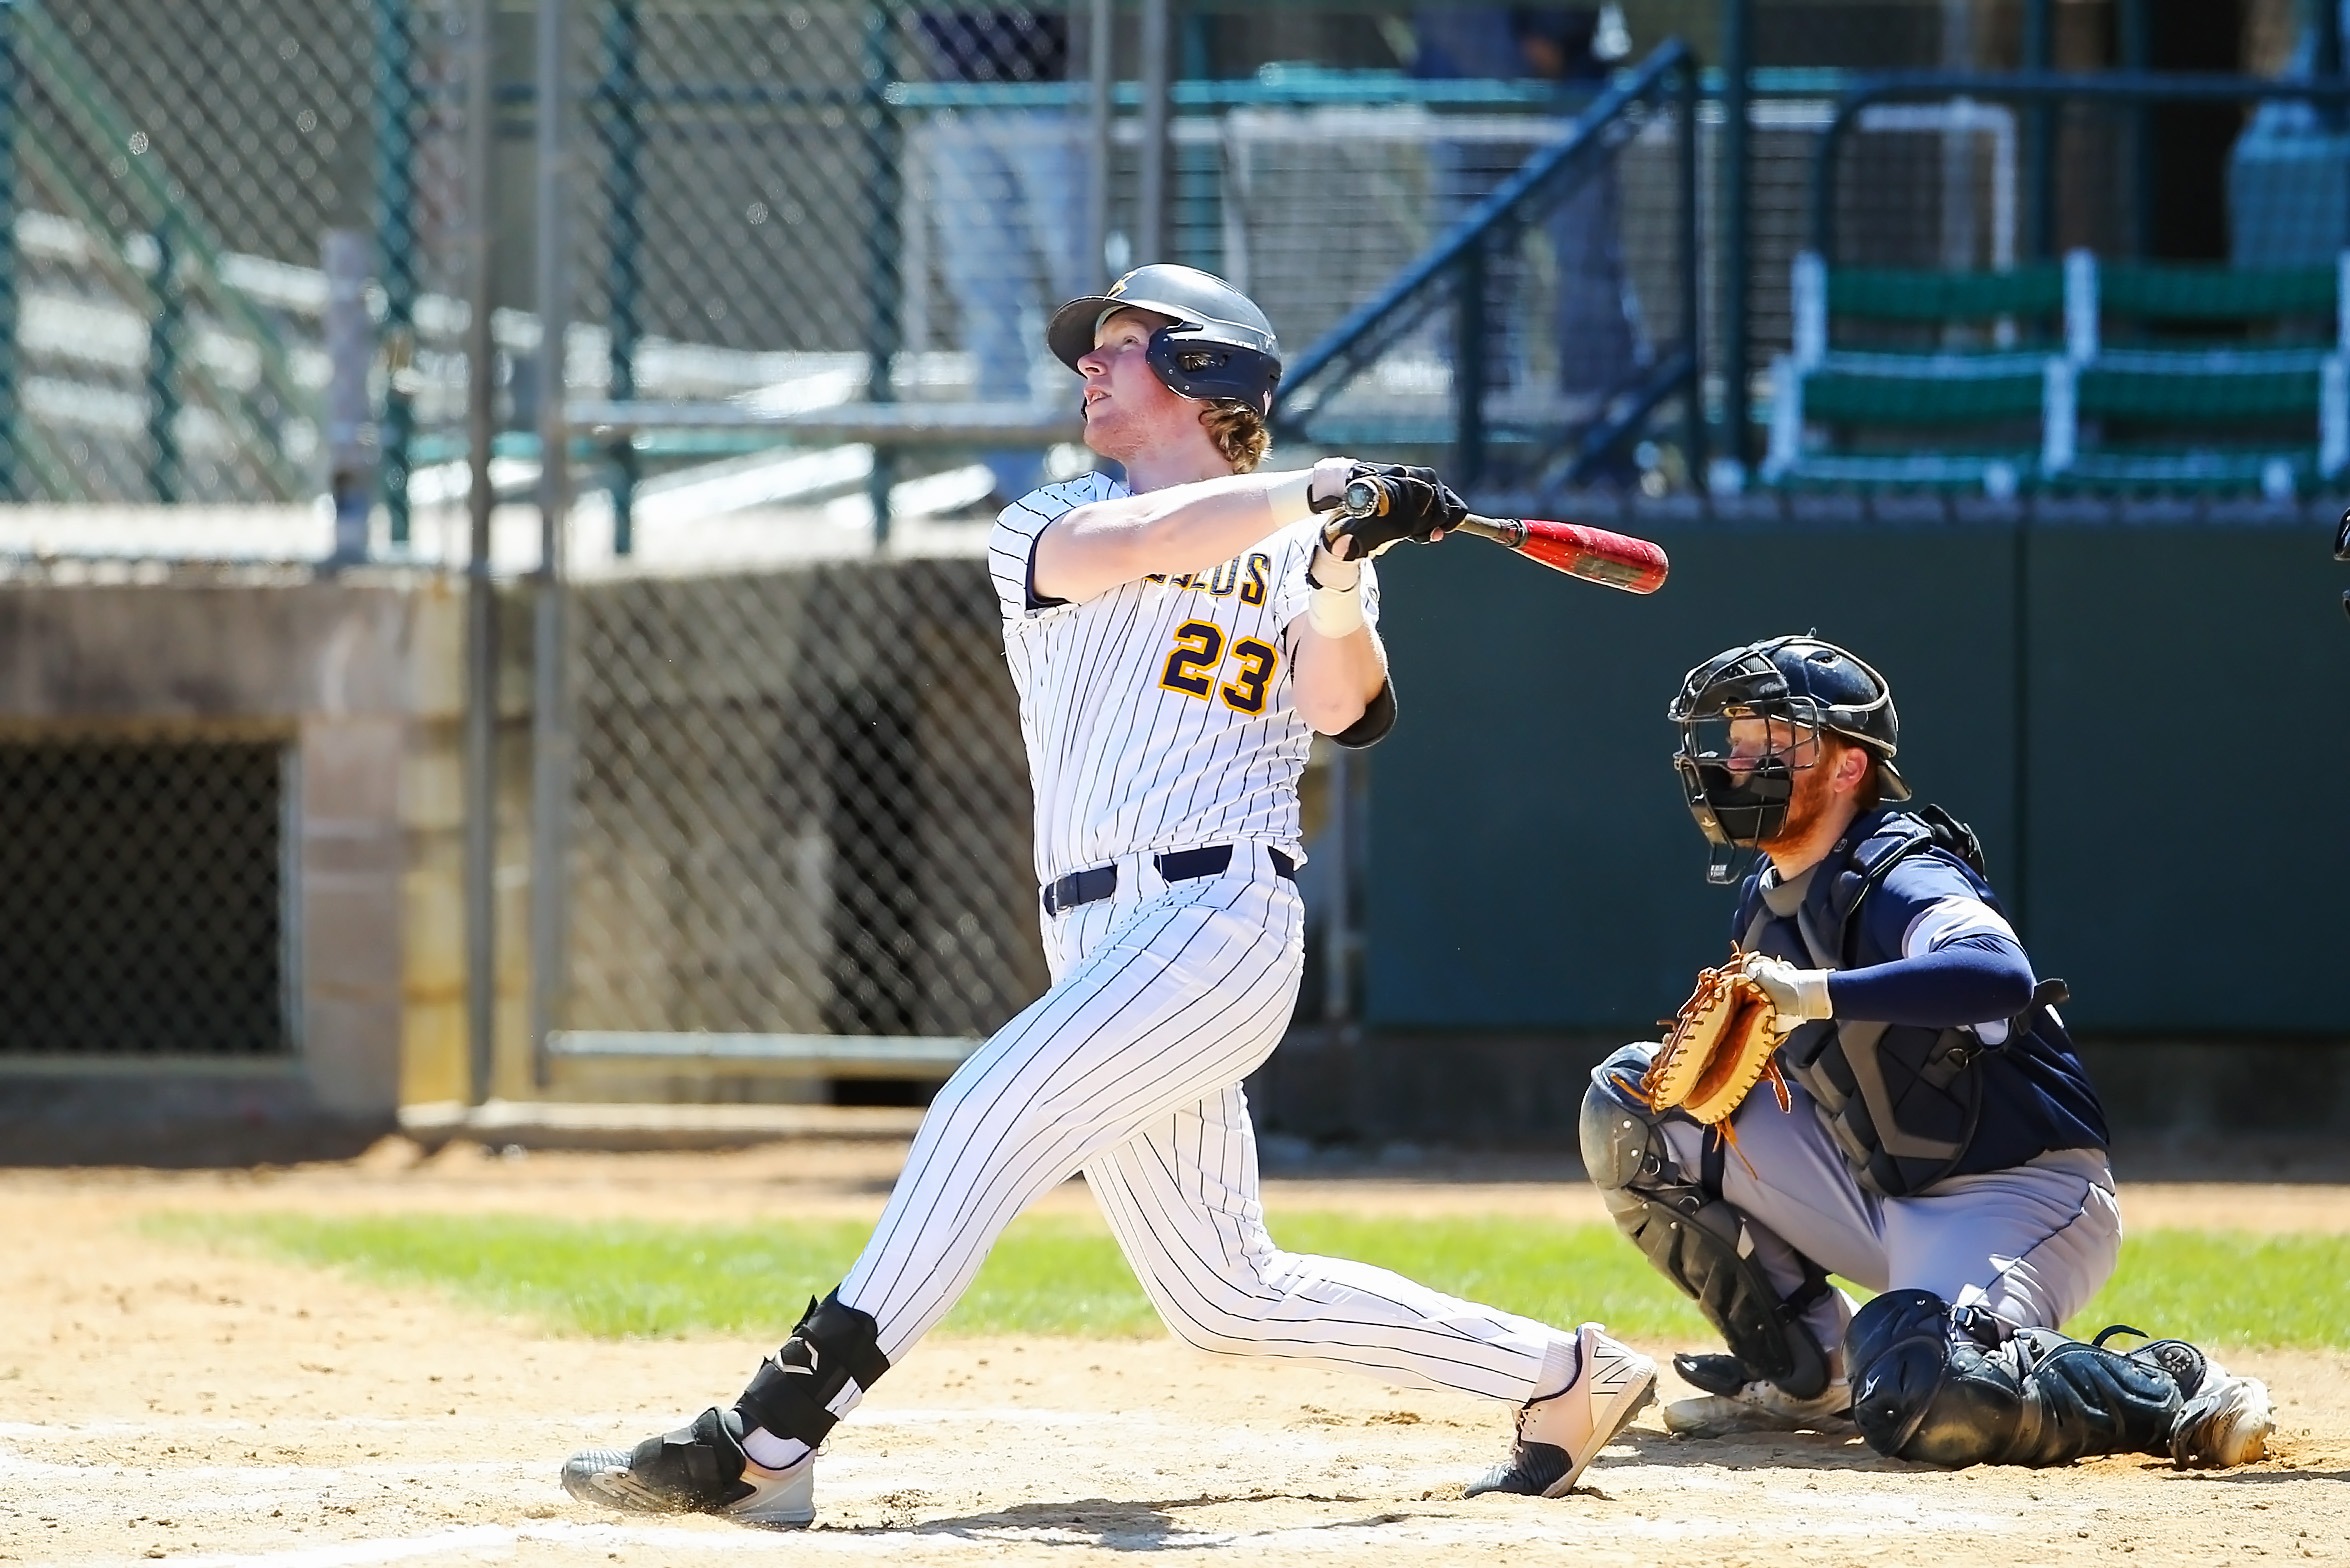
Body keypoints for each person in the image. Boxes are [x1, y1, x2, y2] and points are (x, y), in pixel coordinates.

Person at [558, 264, 1657, 1528]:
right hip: (1096, 937)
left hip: (1220, 918)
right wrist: (1312, 492)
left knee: (981, 1112)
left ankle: (767, 1435)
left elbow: (1344, 708)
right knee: (1222, 1293)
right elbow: (1146, 542)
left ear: (1202, 373)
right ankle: (1564, 1375)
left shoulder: (1305, 544)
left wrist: (1344, 566)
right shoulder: (1046, 522)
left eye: (1122, 347)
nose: (1087, 365)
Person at [1578, 635, 2274, 1469]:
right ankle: (1806, 1373)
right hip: (1876, 1184)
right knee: (1634, 1106)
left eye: (1773, 736)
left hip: (2018, 1194)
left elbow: (1997, 973)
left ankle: (2167, 1387)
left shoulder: (1901, 868)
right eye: (1735, 736)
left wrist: (1817, 993)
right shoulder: (1765, 902)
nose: (1738, 757)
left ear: (1848, 768)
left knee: (1927, 1392)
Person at [915, 11, 1091, 505]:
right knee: (988, 294)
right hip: (960, 100)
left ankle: (1124, 464)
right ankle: (1012, 484)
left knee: (1090, 290)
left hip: (1046, 95)